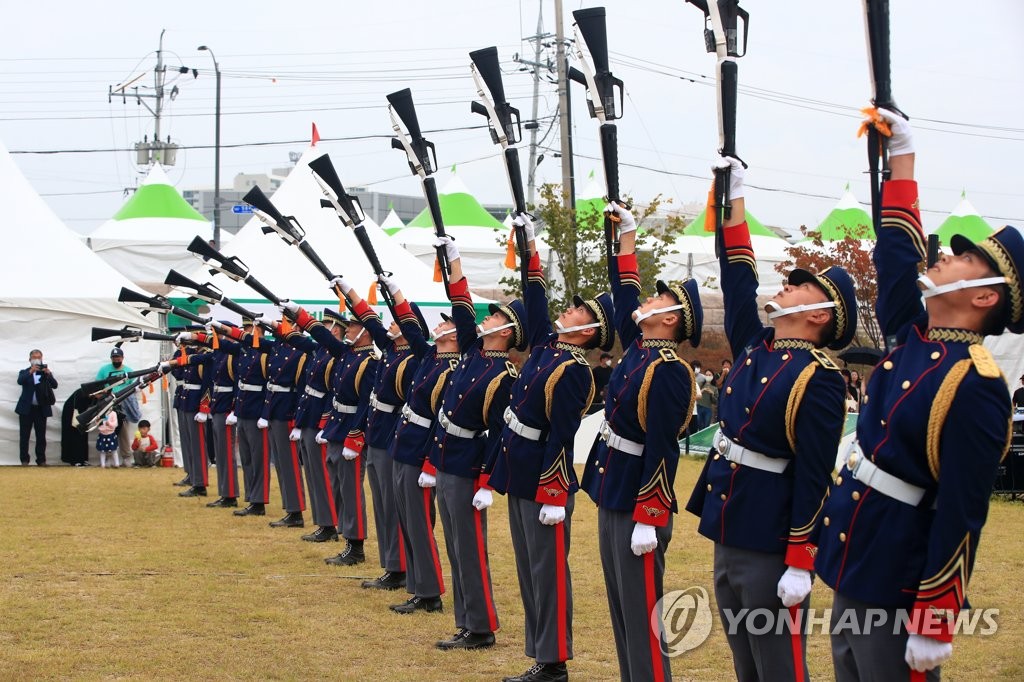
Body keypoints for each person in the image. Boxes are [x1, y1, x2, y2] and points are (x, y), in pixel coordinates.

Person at [813, 109, 1024, 680]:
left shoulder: (977, 383)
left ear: (985, 297)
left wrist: (937, 614)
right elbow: (896, 252)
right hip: (857, 551)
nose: (947, 256)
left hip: (901, 573)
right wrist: (900, 157)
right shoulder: (914, 335)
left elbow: (962, 510)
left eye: (966, 258)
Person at [686, 155, 858, 681]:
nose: (785, 283)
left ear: (820, 315)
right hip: (729, 515)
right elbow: (738, 277)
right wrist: (731, 200)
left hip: (770, 529)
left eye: (800, 285)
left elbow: (813, 472)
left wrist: (801, 556)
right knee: (743, 655)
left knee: (776, 660)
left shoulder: (820, 376)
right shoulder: (759, 347)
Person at [486, 213, 613, 682]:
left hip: (544, 480)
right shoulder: (547, 348)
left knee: (548, 572)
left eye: (578, 310)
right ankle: (540, 655)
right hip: (519, 468)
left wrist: (556, 492)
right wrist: (528, 242)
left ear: (589, 329)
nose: (569, 309)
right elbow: (536, 299)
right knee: (528, 568)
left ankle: (554, 661)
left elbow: (562, 435)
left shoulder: (575, 368)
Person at [582, 203, 702, 682]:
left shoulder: (669, 370)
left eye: (659, 299)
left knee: (643, 611)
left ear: (671, 319)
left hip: (638, 498)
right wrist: (625, 237)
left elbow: (663, 448)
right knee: (622, 608)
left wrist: (649, 515)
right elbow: (623, 289)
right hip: (614, 487)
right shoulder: (640, 349)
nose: (647, 301)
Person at [428, 235, 518, 653]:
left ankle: (481, 627)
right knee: (454, 545)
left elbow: (499, 434)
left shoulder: (505, 376)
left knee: (470, 548)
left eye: (496, 316)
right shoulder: (472, 352)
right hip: (447, 458)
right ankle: (465, 622)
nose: (486, 319)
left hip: (468, 466)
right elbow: (463, 308)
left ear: (508, 330)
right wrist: (454, 259)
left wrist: (486, 480)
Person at [96, 347, 141, 467]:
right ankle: (109, 457)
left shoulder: (129, 371)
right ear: (111, 358)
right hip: (108, 403)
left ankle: (126, 457)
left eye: (118, 357)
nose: (116, 360)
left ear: (122, 358)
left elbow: (135, 387)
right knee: (107, 431)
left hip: (124, 404)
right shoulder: (104, 370)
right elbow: (97, 386)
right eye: (114, 358)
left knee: (124, 431)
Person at [16, 349, 57, 466]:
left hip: (41, 409)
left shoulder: (45, 373)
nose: (36, 359)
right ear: (29, 360)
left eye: (39, 357)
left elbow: (55, 385)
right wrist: (31, 371)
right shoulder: (24, 372)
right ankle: (24, 460)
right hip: (26, 409)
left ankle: (41, 460)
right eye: (34, 357)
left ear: (42, 358)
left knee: (41, 436)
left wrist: (48, 374)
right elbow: (20, 381)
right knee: (24, 436)